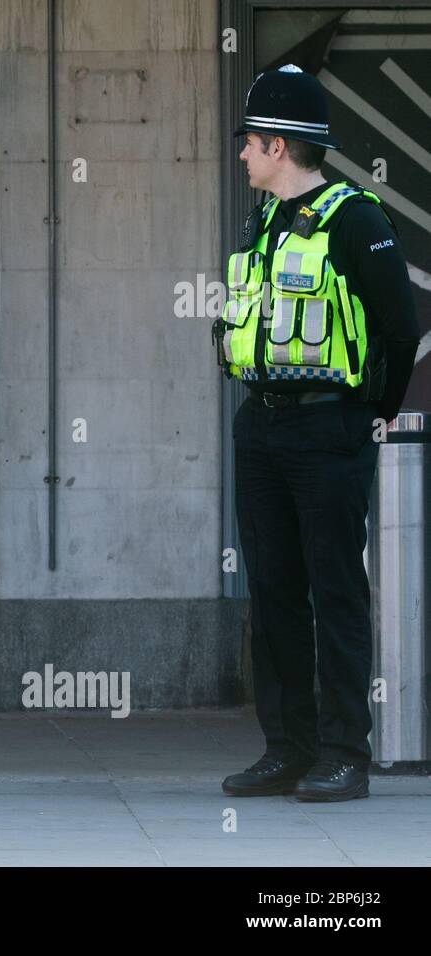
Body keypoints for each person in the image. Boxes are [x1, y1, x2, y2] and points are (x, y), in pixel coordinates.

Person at [214, 65, 419, 801]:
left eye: (249, 141)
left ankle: (344, 754)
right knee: (272, 592)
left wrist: (374, 411)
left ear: (279, 146)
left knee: (334, 590)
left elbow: (401, 326)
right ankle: (288, 749)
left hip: (330, 425)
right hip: (262, 425)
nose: (242, 153)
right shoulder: (264, 221)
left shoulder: (357, 219)